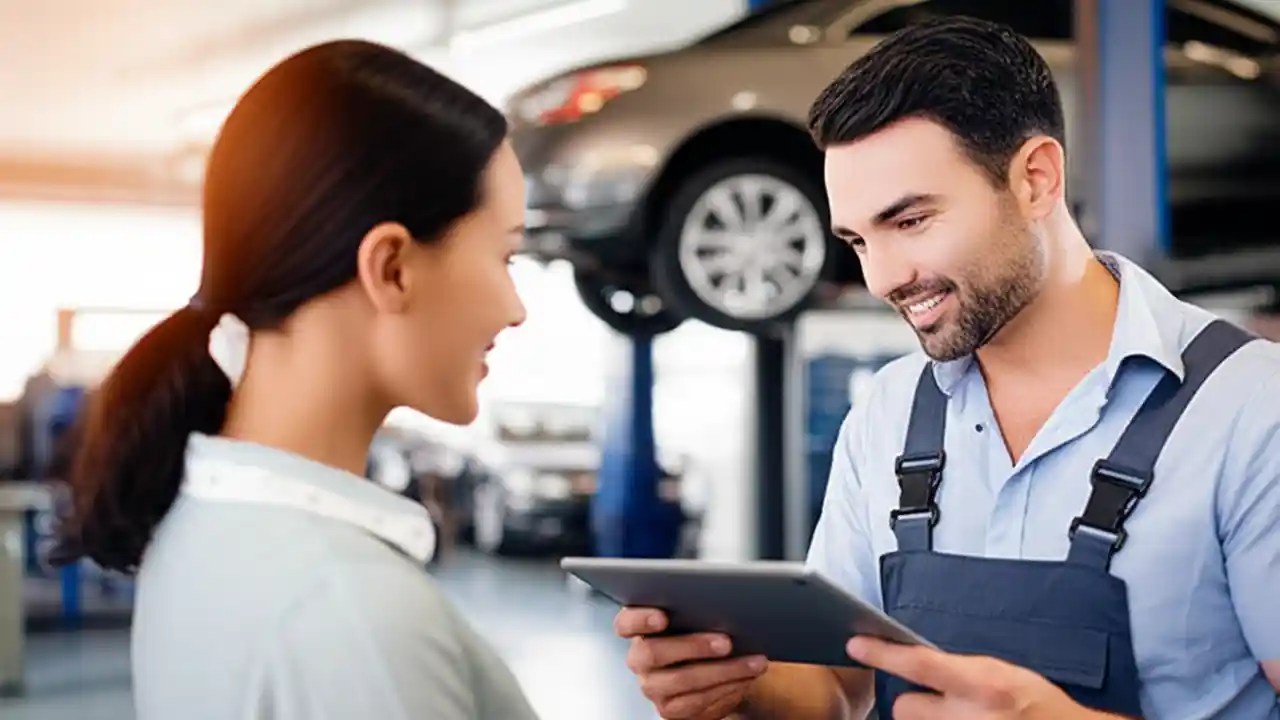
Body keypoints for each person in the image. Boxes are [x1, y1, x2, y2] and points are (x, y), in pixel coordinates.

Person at [614, 16, 1280, 720]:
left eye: (910, 222)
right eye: (859, 239)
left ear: (1036, 179)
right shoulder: (888, 415)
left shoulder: (1250, 410)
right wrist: (742, 679)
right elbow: (843, 687)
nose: (883, 278)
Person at [53, 40, 539, 720]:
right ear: (393, 267)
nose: (515, 310)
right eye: (506, 256)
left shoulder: (200, 526)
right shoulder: (358, 616)